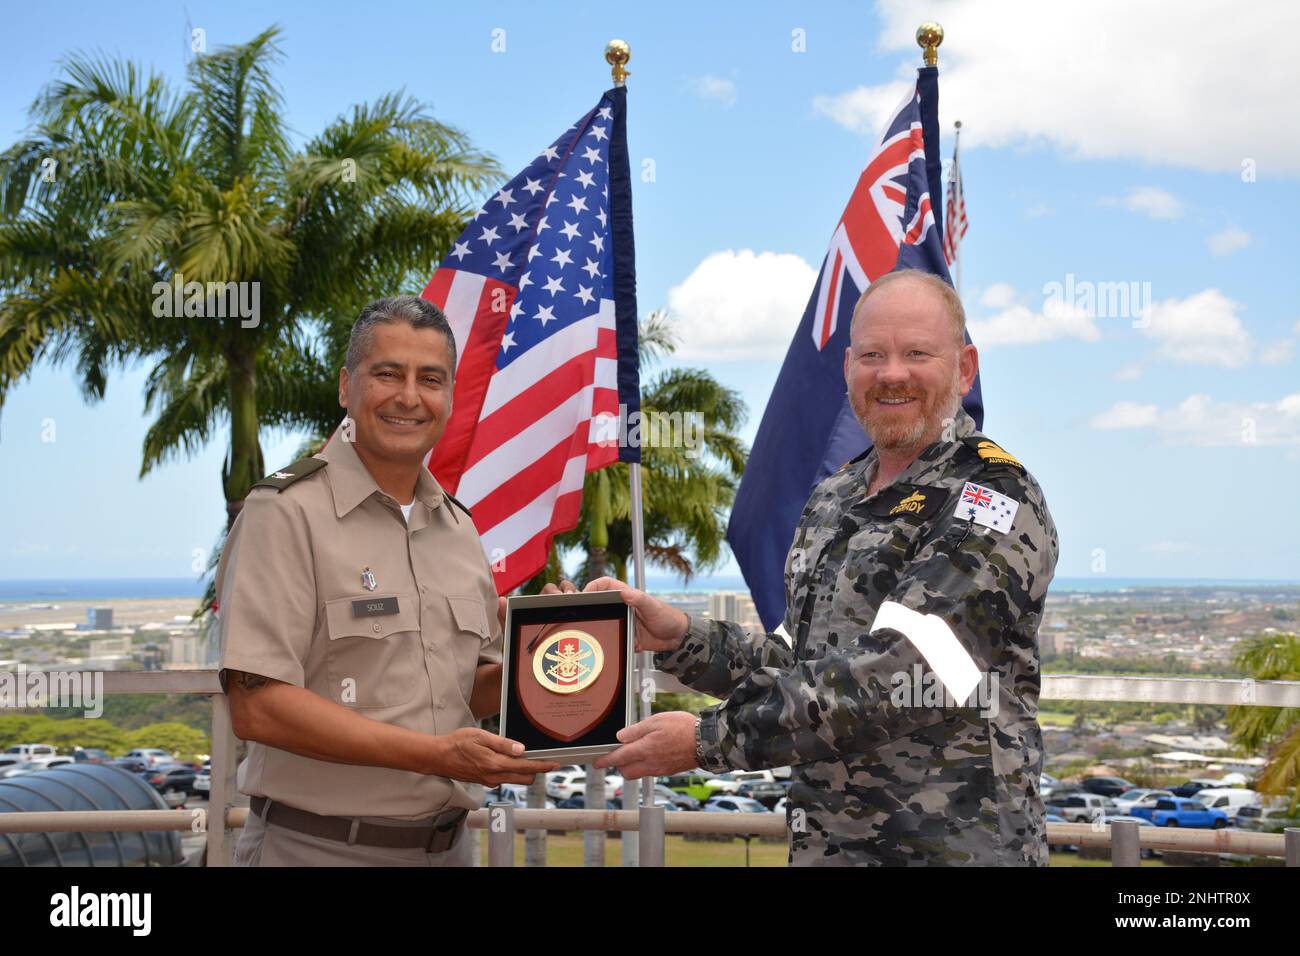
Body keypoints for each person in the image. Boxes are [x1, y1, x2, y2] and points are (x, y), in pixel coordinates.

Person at [590, 269, 1059, 866]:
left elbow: (903, 675)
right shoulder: (835, 497)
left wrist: (708, 740)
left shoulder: (992, 495)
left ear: (964, 369)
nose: (892, 374)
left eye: (917, 353)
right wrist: (681, 639)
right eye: (872, 355)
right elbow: (800, 661)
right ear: (848, 370)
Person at [216, 295, 560, 866]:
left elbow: (464, 687)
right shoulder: (284, 512)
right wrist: (435, 755)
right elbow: (259, 706)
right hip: (319, 849)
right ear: (347, 388)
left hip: (449, 849)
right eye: (387, 374)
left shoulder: (457, 527)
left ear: (449, 397)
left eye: (430, 379)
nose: (408, 397)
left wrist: (552, 654)